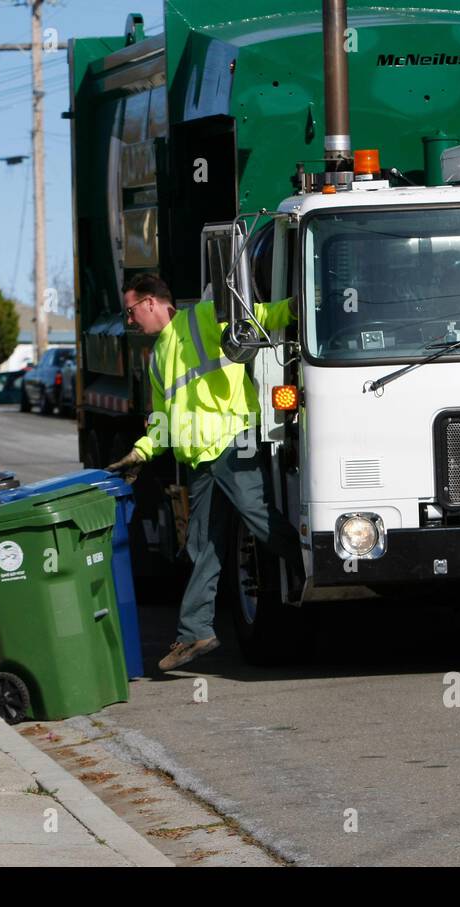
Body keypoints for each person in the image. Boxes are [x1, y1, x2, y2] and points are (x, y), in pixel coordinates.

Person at [109, 273, 303, 672]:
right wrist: (140, 452)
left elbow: (260, 316)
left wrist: (301, 305)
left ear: (149, 302)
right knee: (201, 546)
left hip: (233, 442)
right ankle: (194, 633)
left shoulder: (203, 317)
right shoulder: (158, 356)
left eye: (131, 312)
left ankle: (314, 571)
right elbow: (161, 417)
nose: (131, 321)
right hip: (199, 459)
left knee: (259, 517)